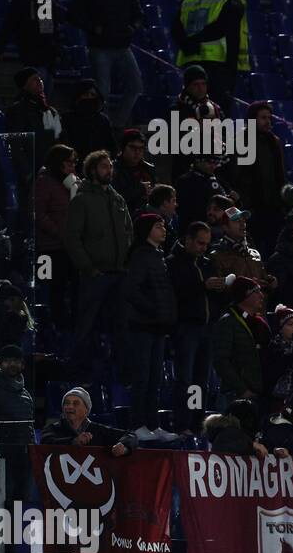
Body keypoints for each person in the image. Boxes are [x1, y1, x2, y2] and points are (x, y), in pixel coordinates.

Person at [63, 151, 132, 377]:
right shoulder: (81, 200)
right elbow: (72, 238)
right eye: (104, 167)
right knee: (86, 326)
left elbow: (128, 231)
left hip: (118, 273)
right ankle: (79, 374)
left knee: (122, 327)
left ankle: (121, 376)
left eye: (110, 166)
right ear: (92, 170)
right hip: (95, 275)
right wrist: (89, 268)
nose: (109, 170)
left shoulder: (117, 199)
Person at [67, 0, 144, 127]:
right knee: (103, 91)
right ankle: (102, 125)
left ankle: (115, 124)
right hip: (100, 47)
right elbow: (72, 13)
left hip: (123, 46)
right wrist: (92, 27)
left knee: (136, 86)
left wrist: (133, 27)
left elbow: (139, 15)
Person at [121, 213, 178, 439]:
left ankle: (153, 425)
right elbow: (132, 291)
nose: (163, 230)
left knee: (155, 379)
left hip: (157, 327)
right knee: (142, 378)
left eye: (163, 226)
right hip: (142, 327)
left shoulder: (158, 255)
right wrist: (153, 310)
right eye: (158, 226)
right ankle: (138, 425)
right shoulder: (140, 256)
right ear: (147, 230)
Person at [171, 0, 248, 115]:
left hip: (218, 66)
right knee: (191, 112)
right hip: (192, 64)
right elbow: (176, 28)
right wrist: (185, 43)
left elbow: (223, 28)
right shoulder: (188, 1)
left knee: (215, 112)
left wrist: (191, 42)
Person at [167, 221, 222, 434]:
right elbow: (176, 293)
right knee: (186, 380)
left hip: (207, 328)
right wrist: (202, 286)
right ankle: (182, 424)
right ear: (188, 240)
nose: (203, 248)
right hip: (186, 328)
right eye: (200, 243)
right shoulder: (173, 263)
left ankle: (196, 424)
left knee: (200, 382)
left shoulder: (207, 264)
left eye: (206, 244)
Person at [226, 101, 287, 247]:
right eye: (263, 118)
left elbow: (280, 174)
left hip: (273, 206)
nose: (267, 121)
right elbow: (234, 175)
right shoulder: (239, 141)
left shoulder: (274, 142)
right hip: (251, 207)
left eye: (269, 118)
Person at [32, 144, 78, 330]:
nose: (73, 167)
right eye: (68, 163)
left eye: (74, 163)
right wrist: (59, 232)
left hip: (70, 248)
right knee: (51, 290)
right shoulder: (44, 183)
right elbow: (37, 213)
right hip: (50, 248)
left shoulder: (72, 183)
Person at [0, 0, 59, 101]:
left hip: (47, 57)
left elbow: (52, 31)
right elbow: (9, 25)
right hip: (31, 54)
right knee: (37, 92)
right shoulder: (23, 2)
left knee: (45, 93)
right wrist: (0, 47)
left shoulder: (48, 4)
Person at [209, 275, 269, 408]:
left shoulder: (260, 324)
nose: (261, 296)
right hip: (235, 395)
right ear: (245, 295)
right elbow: (221, 361)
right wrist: (242, 389)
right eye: (256, 291)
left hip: (259, 392)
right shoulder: (227, 323)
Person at [40, 387, 136, 455]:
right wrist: (73, 442)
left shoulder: (98, 430)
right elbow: (45, 443)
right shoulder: (53, 428)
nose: (70, 406)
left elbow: (131, 435)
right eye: (67, 403)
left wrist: (124, 447)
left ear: (86, 410)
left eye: (76, 403)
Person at [4, 67, 62, 175]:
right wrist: (28, 173)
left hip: (52, 171)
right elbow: (15, 145)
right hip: (32, 172)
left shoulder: (51, 111)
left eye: (40, 78)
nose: (40, 81)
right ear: (24, 85)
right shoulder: (17, 110)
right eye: (34, 79)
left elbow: (60, 138)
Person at [59, 80, 113, 160]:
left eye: (93, 95)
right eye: (86, 94)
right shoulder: (66, 118)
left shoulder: (103, 120)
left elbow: (110, 146)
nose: (90, 98)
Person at [0, 344, 35, 449]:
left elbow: (29, 429)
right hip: (0, 453)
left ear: (22, 365)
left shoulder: (26, 394)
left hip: (22, 452)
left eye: (16, 361)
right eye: (8, 361)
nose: (12, 364)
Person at [202, 398, 267, 457]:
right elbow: (227, 446)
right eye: (248, 419)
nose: (251, 422)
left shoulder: (241, 434)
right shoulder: (228, 432)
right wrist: (251, 445)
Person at [112, 128, 156, 214]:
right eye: (132, 147)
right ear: (123, 147)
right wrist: (140, 188)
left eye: (141, 148)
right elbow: (114, 198)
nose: (137, 152)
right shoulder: (113, 169)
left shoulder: (148, 169)